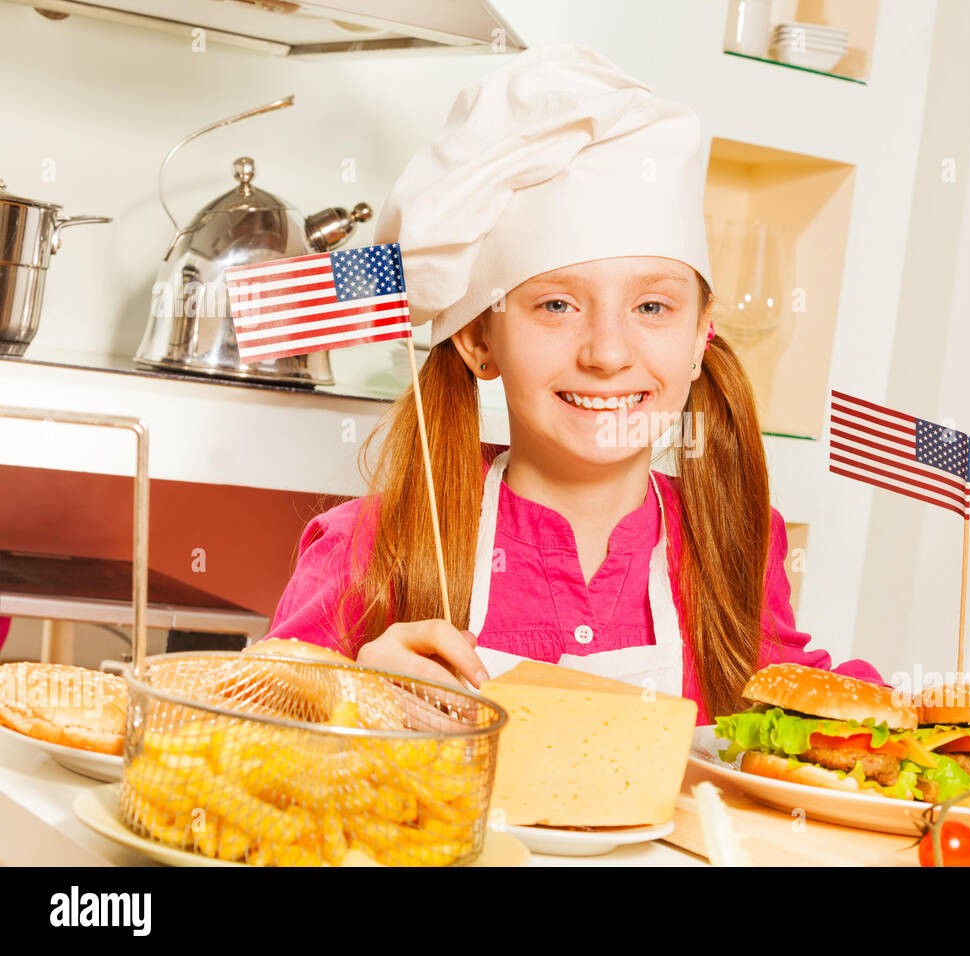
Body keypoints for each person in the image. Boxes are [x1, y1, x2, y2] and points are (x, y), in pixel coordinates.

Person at [263, 44, 883, 723]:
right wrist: (347, 695)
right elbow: (235, 737)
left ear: (702, 332)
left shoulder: (731, 540)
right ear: (478, 339)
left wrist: (946, 725)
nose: (608, 353)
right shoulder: (374, 542)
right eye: (557, 305)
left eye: (653, 307)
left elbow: (795, 712)